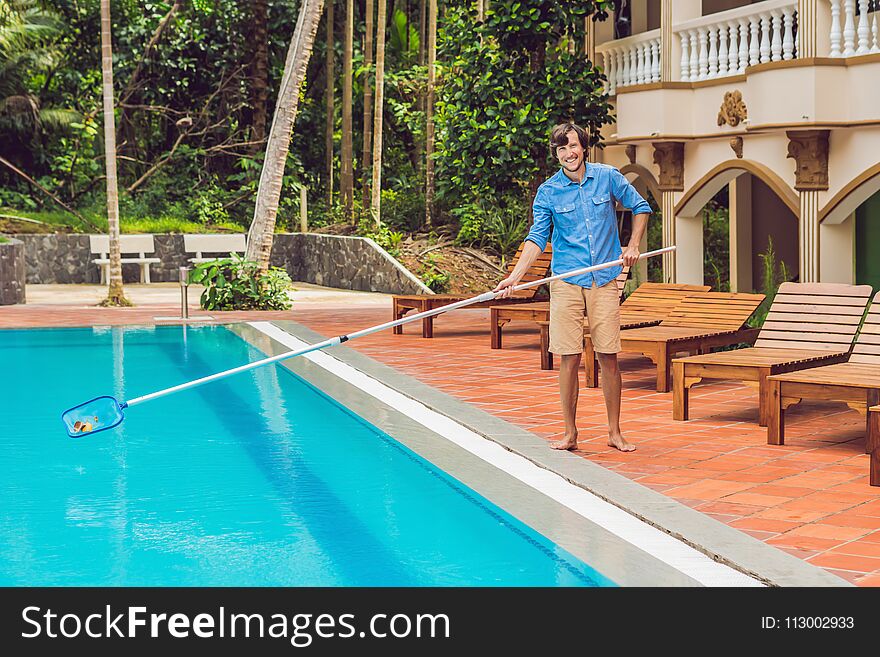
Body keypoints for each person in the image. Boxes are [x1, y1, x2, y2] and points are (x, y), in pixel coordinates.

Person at [494, 123, 651, 452]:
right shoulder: (548, 192)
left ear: (584, 148)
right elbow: (538, 238)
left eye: (573, 146)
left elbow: (640, 207)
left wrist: (632, 245)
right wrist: (516, 277)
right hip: (566, 280)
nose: (569, 153)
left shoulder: (607, 176)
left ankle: (614, 432)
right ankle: (570, 433)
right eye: (562, 148)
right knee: (569, 357)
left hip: (604, 279)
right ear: (556, 153)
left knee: (608, 356)